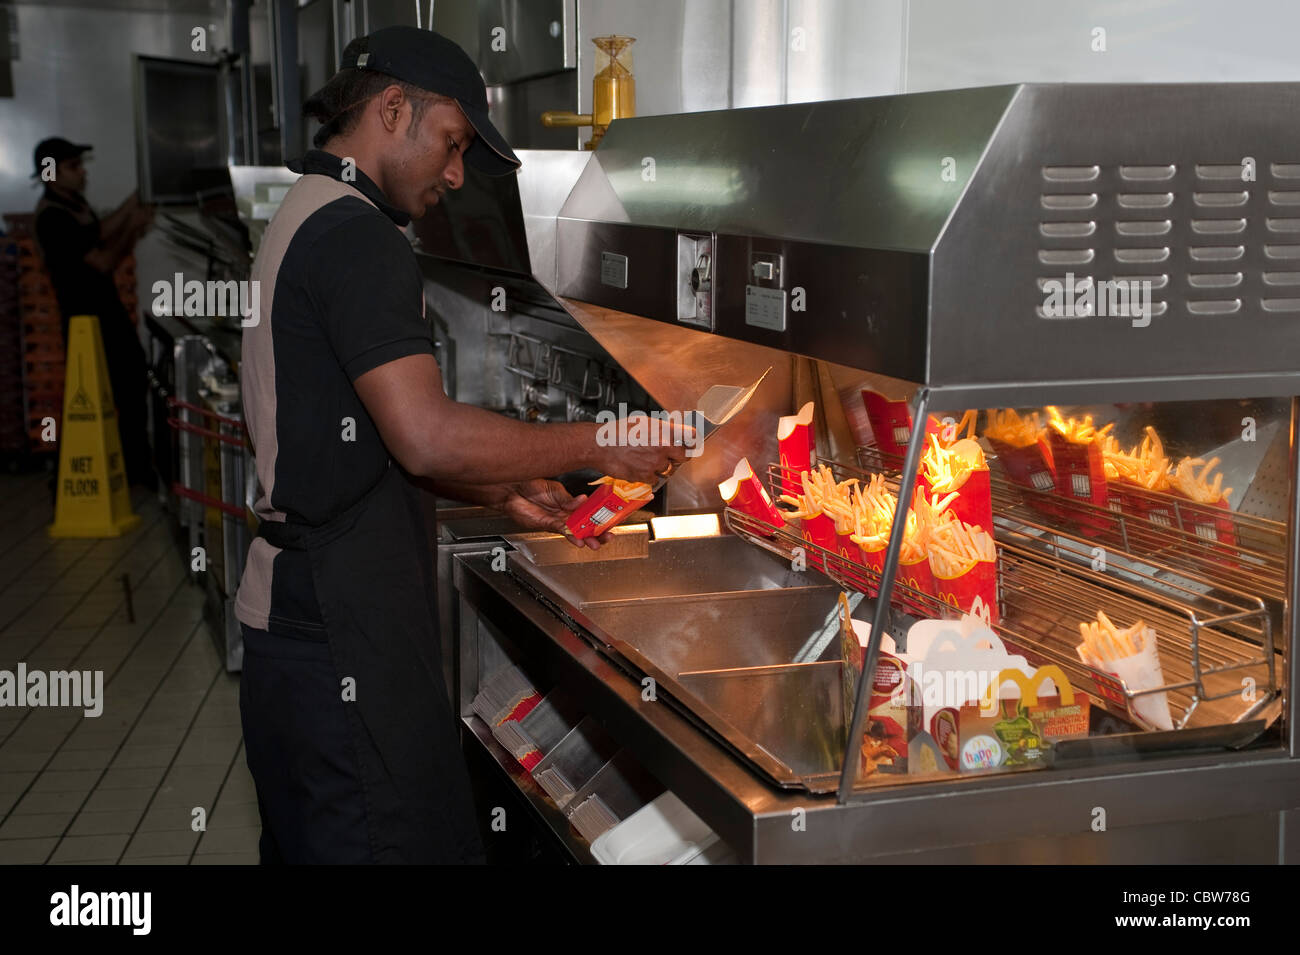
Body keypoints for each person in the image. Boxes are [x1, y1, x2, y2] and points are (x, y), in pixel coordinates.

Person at [235, 26, 686, 865]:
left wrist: (494, 489)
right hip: (341, 630)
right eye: (450, 143)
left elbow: (355, 443)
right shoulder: (358, 236)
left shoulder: (306, 208)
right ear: (393, 108)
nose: (453, 172)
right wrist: (599, 442)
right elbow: (426, 435)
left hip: (297, 627)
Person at [32, 138, 155, 489]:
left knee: (131, 384)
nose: (82, 171)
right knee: (100, 395)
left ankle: (134, 469)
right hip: (85, 323)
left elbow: (99, 232)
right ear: (51, 173)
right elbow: (101, 261)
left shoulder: (73, 205)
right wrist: (132, 222)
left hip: (105, 314)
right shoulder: (52, 218)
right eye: (73, 166)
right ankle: (95, 477)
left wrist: (134, 205)